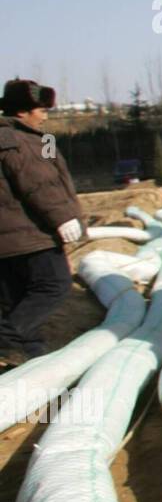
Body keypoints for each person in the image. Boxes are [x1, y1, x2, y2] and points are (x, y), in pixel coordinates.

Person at [0, 79, 85, 366]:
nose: (46, 114)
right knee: (55, 285)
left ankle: (28, 362)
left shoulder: (38, 139)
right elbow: (39, 184)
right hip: (29, 236)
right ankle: (5, 339)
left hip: (10, 242)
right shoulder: (15, 140)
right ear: (22, 111)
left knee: (18, 301)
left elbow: (50, 171)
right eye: (41, 108)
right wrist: (63, 218)